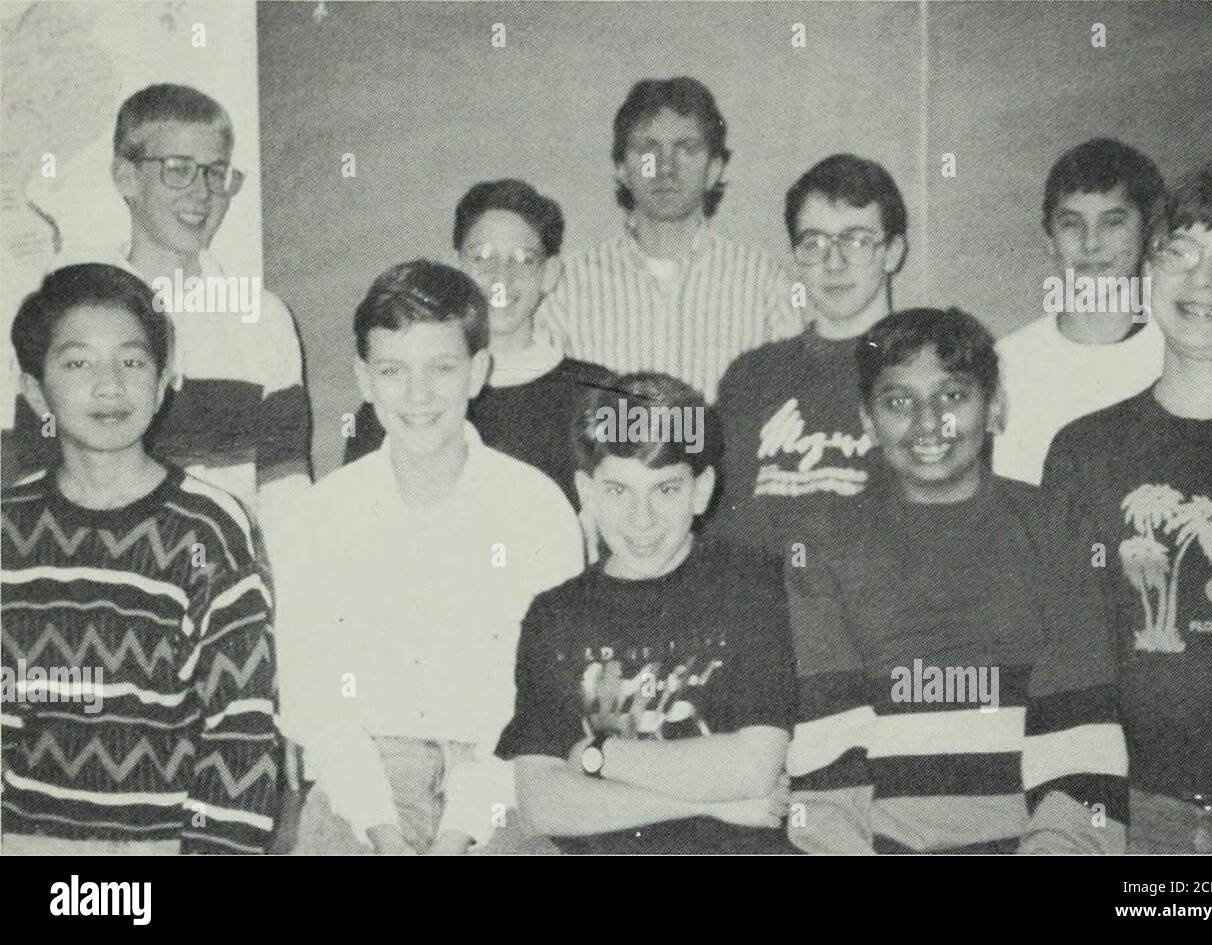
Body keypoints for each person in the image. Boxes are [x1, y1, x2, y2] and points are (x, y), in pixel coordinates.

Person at [785, 308, 1127, 854]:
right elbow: (825, 769)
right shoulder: (824, 540)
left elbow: (1082, 748)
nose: (928, 422)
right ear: (868, 421)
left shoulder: (1057, 526)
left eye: (952, 397)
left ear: (994, 408)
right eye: (898, 402)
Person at [272, 260, 584, 855]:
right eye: (393, 370)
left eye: (442, 368)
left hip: (503, 779)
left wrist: (458, 834)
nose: (417, 396)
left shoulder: (536, 509)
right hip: (362, 782)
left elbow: (539, 700)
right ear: (363, 379)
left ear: (478, 371)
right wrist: (384, 834)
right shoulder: (323, 516)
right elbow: (318, 702)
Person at [1043, 160, 1212, 853]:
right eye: (1179, 253)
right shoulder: (1083, 451)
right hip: (1128, 821)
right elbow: (1061, 666)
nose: (1201, 280)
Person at [1, 263, 280, 854]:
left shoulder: (210, 526)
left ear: (161, 384)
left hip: (162, 844)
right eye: (78, 363)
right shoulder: (8, 525)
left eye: (131, 362)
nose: (109, 385)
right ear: (33, 389)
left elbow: (241, 728)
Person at [497, 372, 800, 853]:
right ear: (585, 491)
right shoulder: (555, 616)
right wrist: (708, 802)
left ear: (701, 490)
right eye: (618, 491)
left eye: (665, 490)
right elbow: (542, 802)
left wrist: (596, 756)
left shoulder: (752, 585)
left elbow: (753, 767)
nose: (642, 520)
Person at [3, 83, 312, 522]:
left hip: (225, 576)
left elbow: (287, 496)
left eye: (215, 172)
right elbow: (36, 485)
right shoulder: (67, 315)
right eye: (178, 169)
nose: (202, 193)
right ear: (126, 177)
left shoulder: (263, 320)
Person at [343, 179, 611, 510]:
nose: (502, 277)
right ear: (456, 266)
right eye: (482, 257)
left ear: (550, 273)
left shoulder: (599, 395)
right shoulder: (400, 406)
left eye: (524, 259)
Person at [536, 77, 804, 403]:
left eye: (687, 149)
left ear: (714, 169)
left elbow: (788, 407)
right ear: (622, 168)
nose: (665, 167)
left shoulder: (764, 283)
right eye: (647, 149)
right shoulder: (565, 287)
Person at [712, 155, 902, 557]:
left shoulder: (925, 370)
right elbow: (720, 527)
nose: (834, 264)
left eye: (856, 240)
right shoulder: (751, 376)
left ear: (893, 253)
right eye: (813, 243)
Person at [994, 139, 1167, 485]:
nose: (1091, 243)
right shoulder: (1007, 364)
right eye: (1071, 224)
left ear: (1149, 233)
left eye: (1113, 222)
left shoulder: (1179, 353)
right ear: (1050, 240)